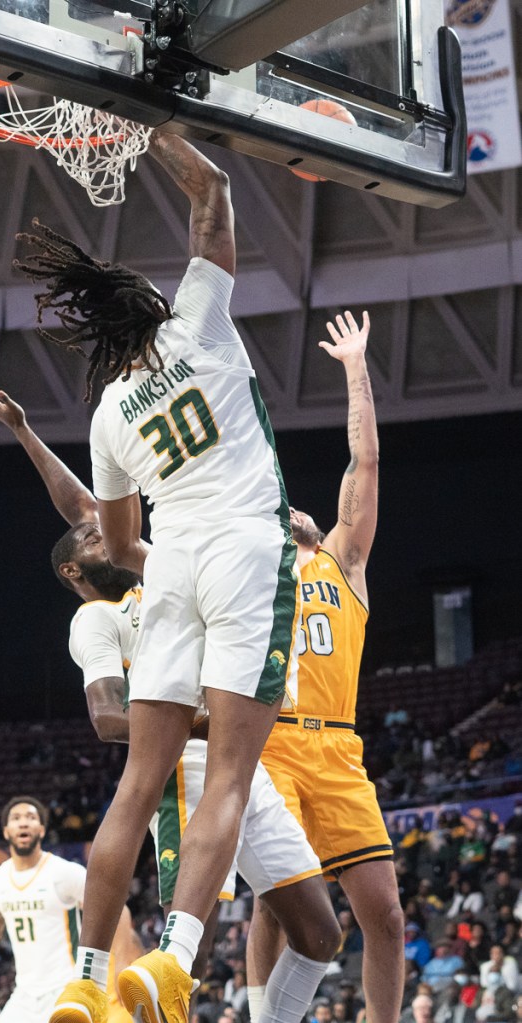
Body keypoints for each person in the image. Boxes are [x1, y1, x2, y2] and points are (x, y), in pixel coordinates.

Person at [9, 130, 303, 1023]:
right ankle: (170, 960)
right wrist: (141, 123)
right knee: (228, 773)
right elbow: (210, 193)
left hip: (169, 562)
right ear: (151, 302)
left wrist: (171, 561)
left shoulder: (103, 414)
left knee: (138, 785)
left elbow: (116, 540)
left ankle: (89, 977)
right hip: (246, 547)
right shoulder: (198, 325)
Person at [0, 378, 342, 1020]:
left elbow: (83, 505)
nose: (103, 535)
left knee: (321, 933)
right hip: (192, 772)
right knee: (183, 962)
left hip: (247, 771)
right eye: (90, 543)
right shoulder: (97, 621)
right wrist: (214, 723)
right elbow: (111, 719)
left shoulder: (153, 571)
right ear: (73, 574)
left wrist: (24, 432)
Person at [245, 307, 405, 1023]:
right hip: (271, 741)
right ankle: (261, 1011)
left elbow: (364, 462)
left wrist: (353, 369)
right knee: (277, 903)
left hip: (337, 744)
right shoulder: (251, 573)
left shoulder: (342, 559)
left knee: (387, 914)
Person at [0, 796, 135, 1023]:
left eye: (31, 817)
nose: (24, 823)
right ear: (6, 831)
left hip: (67, 988)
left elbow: (117, 908)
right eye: (16, 818)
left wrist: (122, 964)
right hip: (25, 994)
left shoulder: (63, 872)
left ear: (42, 830)